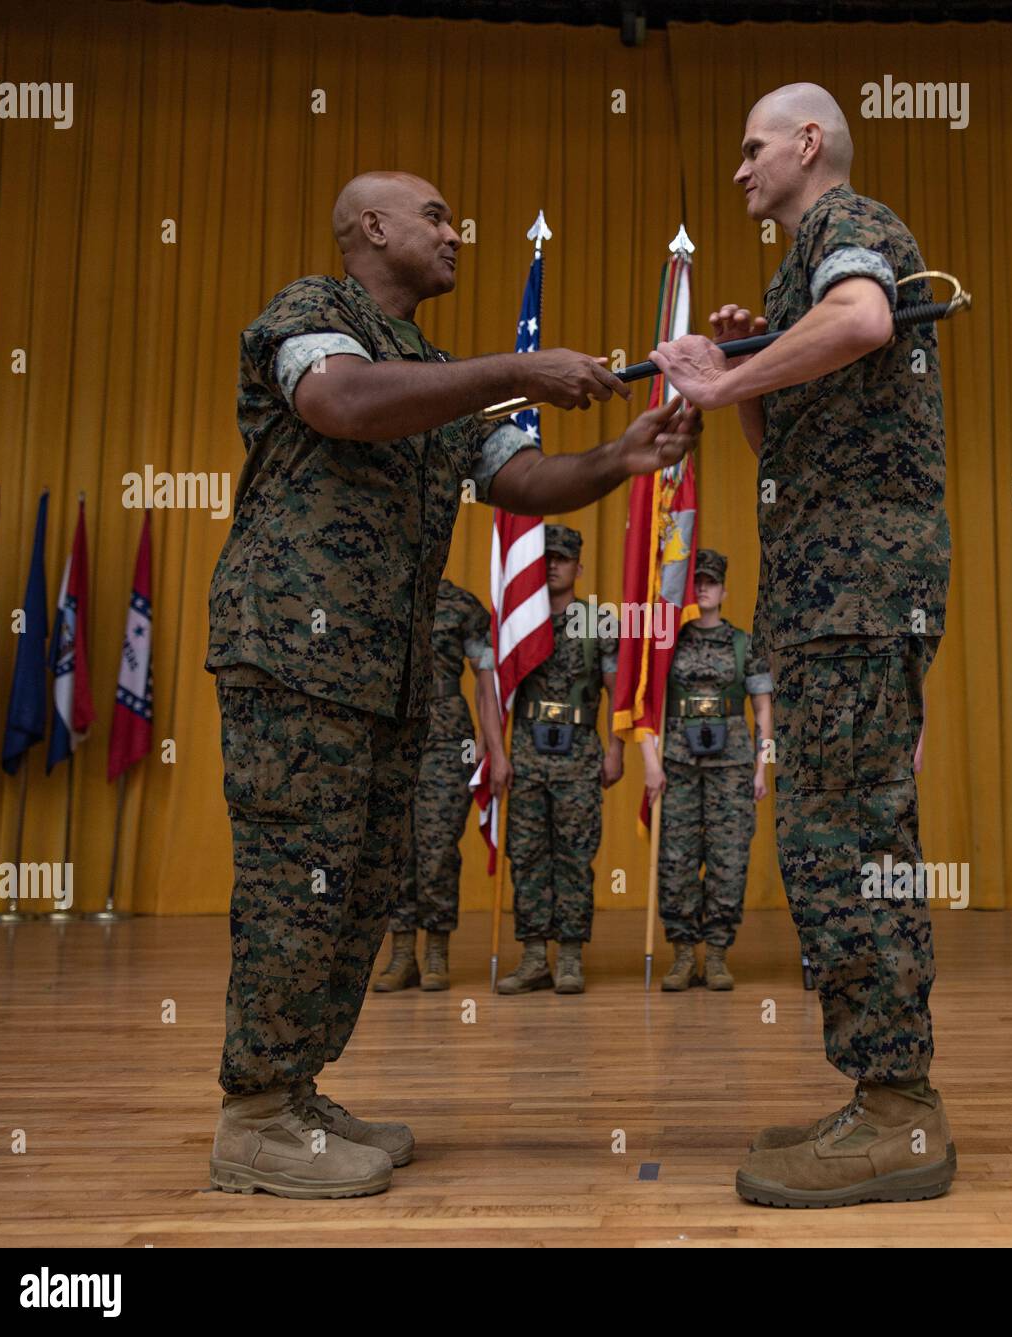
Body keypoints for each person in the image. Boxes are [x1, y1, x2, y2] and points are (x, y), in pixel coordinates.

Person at [206, 170, 701, 1199]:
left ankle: (294, 1090)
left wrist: (620, 454)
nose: (456, 232)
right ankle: (252, 1114)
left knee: (352, 887)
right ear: (369, 227)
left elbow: (521, 481)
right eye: (435, 216)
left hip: (387, 670)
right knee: (294, 881)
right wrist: (517, 366)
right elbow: (339, 401)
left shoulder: (435, 368)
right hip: (294, 655)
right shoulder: (313, 312)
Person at [650, 83, 954, 1209]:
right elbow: (787, 428)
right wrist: (746, 374)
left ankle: (898, 1111)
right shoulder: (797, 269)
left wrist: (729, 369)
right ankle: (878, 1094)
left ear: (808, 144)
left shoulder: (847, 224)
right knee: (828, 835)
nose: (739, 170)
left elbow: (867, 321)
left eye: (751, 147)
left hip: (862, 588)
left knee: (853, 832)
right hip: (828, 590)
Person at [638, 549, 772, 991]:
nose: (703, 588)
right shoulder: (667, 642)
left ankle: (715, 954)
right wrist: (652, 764)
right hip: (677, 765)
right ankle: (681, 955)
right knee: (675, 860)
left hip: (732, 768)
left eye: (711, 582)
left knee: (728, 861)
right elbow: (646, 704)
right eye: (697, 582)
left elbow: (763, 708)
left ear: (724, 590)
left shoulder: (744, 644)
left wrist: (761, 767)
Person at [496, 525, 621, 996]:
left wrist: (615, 749)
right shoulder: (520, 619)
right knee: (526, 856)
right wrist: (497, 752)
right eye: (547, 557)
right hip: (527, 753)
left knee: (574, 854)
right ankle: (532, 957)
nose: (553, 565)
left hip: (579, 753)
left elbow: (614, 690)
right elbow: (498, 689)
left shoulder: (599, 619)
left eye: (563, 558)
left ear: (578, 567)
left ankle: (569, 955)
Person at [374, 577, 506, 993]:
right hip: (390, 738)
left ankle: (436, 951)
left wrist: (489, 746)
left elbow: (487, 682)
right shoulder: (381, 592)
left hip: (450, 741)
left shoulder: (460, 603)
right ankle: (401, 955)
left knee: (437, 849)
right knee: (395, 850)